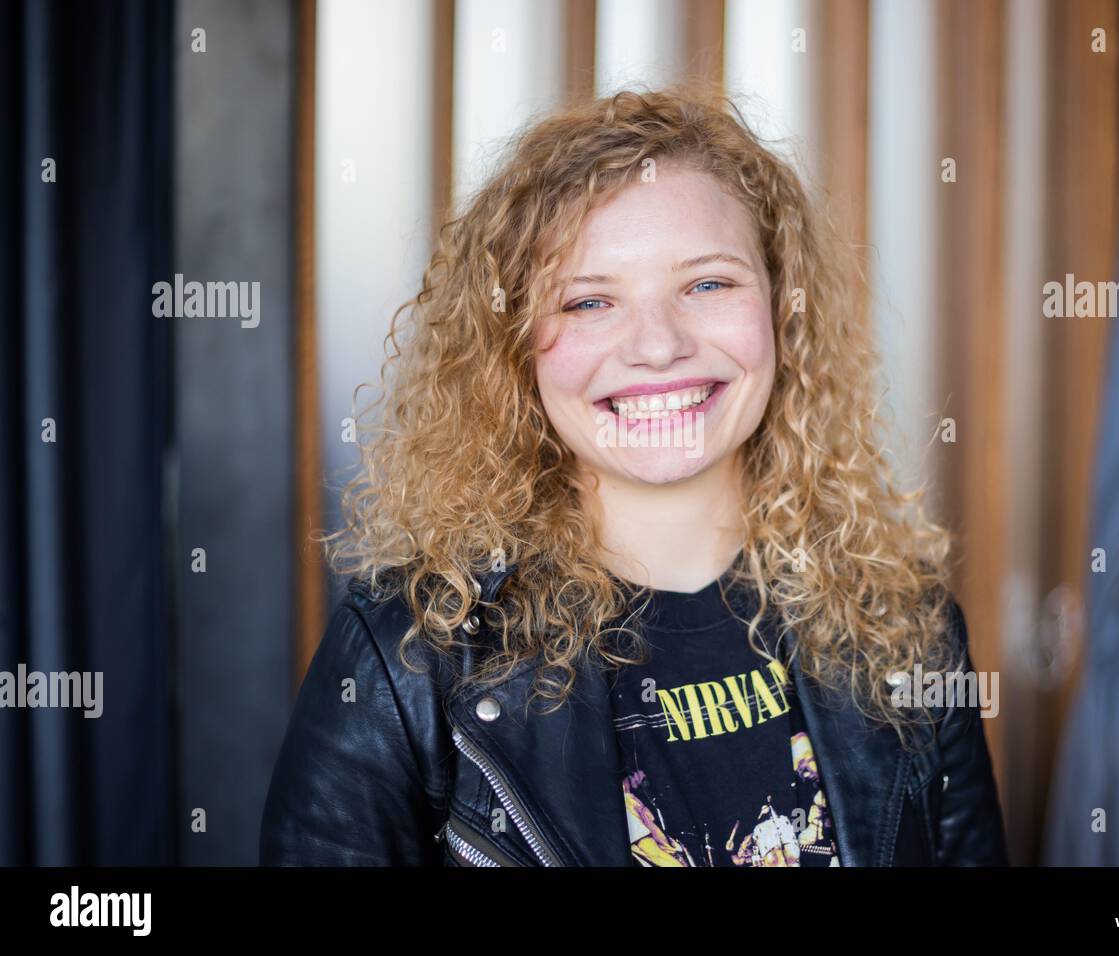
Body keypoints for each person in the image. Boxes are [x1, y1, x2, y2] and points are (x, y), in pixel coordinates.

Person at [260, 85, 1009, 867]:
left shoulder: (908, 631)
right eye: (588, 301)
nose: (657, 346)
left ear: (783, 311)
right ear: (514, 342)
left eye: (708, 284)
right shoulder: (405, 657)